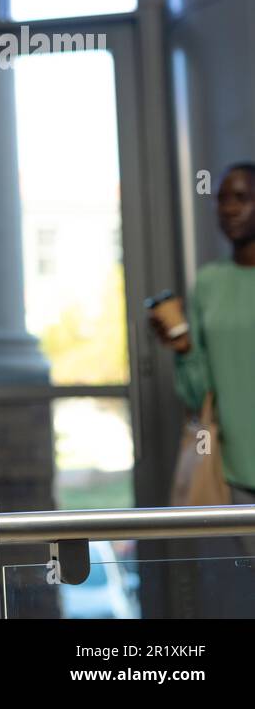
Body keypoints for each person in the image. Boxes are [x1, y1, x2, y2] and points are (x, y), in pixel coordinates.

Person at [150, 162, 255, 613]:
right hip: (234, 471)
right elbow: (198, 394)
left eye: (241, 197)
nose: (228, 208)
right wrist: (182, 345)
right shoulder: (210, 283)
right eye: (222, 198)